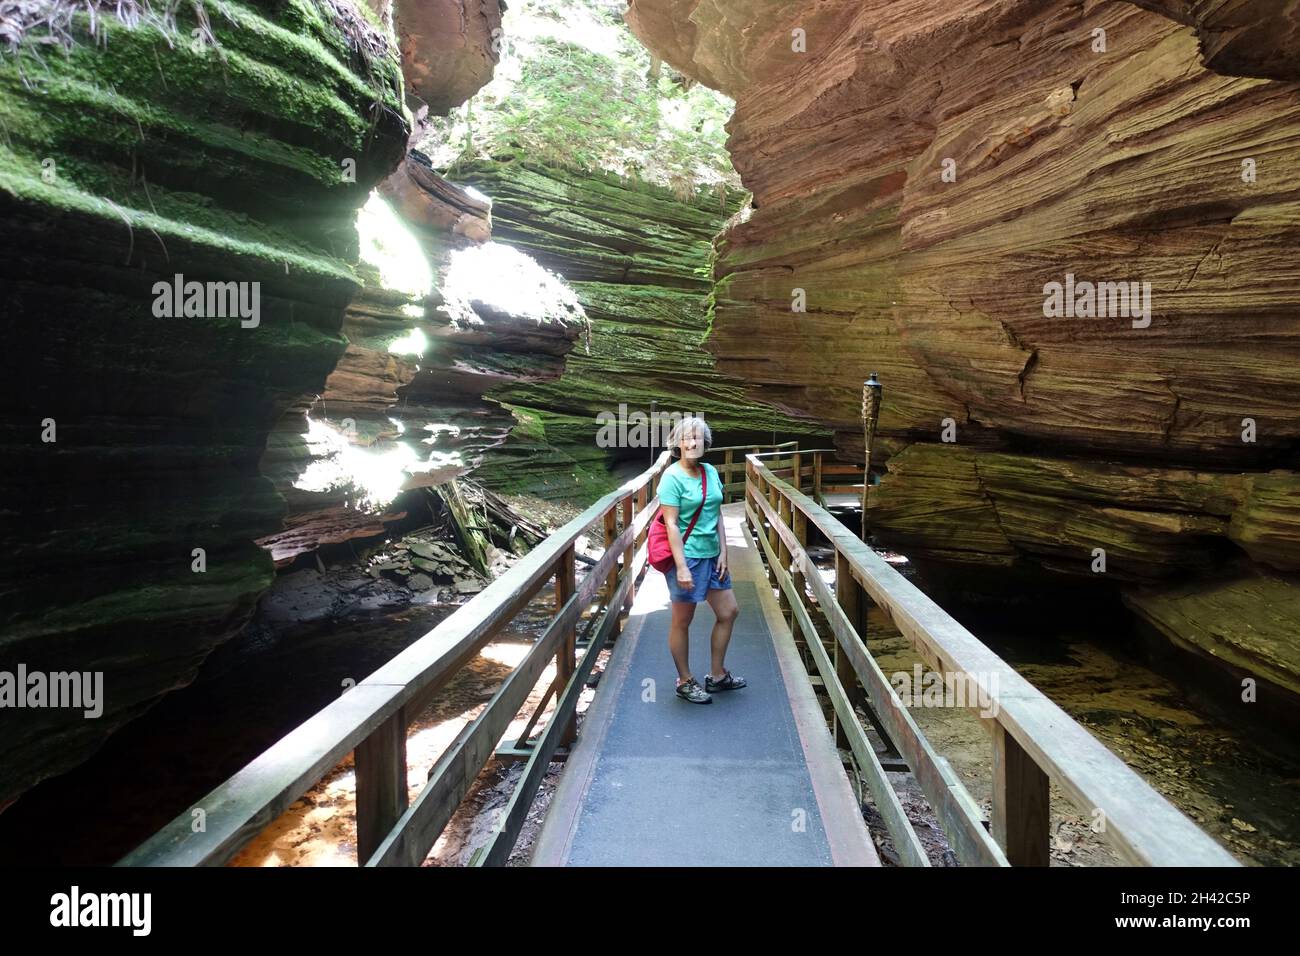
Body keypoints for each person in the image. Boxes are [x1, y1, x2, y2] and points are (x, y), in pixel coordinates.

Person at [657, 416, 746, 704]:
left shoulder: (709, 471)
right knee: (683, 619)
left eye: (698, 437)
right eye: (687, 438)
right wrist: (681, 566)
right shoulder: (672, 477)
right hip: (688, 557)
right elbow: (671, 524)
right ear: (678, 443)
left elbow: (717, 513)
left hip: (712, 556)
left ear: (705, 443)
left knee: (728, 611)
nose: (693, 442)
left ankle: (717, 676)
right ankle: (685, 681)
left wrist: (724, 550)